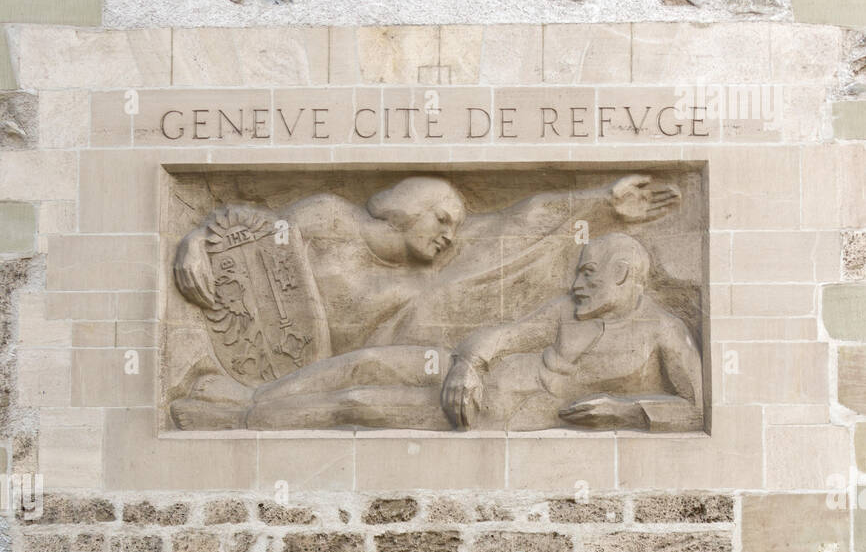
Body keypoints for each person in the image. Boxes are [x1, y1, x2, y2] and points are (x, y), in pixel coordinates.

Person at [171, 171, 682, 428]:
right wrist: (195, 244)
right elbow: (247, 234)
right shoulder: (329, 218)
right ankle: (247, 401)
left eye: (457, 226)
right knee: (360, 370)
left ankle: (242, 414)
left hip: (478, 389)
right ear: (407, 207)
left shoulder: (437, 271)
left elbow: (522, 218)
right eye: (441, 218)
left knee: (360, 392)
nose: (449, 235)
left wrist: (602, 202)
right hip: (289, 353)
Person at [245, 233, 703, 434]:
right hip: (470, 379)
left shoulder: (664, 332)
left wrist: (625, 414)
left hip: (499, 410)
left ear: (622, 273)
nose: (576, 285)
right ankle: (255, 396)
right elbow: (507, 334)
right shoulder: (566, 310)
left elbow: (696, 408)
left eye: (587, 274)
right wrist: (469, 364)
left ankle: (239, 419)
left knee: (360, 403)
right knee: (367, 361)